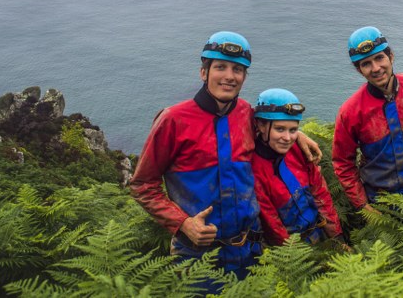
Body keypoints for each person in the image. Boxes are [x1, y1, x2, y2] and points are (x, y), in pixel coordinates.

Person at [130, 31, 322, 280]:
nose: (230, 76)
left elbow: (272, 128)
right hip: (197, 256)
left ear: (244, 77)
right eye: (221, 67)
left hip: (251, 248)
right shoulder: (173, 120)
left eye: (238, 69)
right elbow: (142, 184)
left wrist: (299, 134)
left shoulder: (245, 113)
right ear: (203, 72)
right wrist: (183, 223)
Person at [332, 26, 403, 212]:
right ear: (359, 70)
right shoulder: (350, 111)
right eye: (366, 63)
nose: (376, 68)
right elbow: (342, 163)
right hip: (382, 204)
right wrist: (362, 205)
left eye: (379, 58)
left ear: (391, 56)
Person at [252, 88, 345, 246]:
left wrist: (337, 237)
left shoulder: (298, 150)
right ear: (260, 125)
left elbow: (320, 193)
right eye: (280, 129)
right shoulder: (253, 170)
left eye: (293, 130)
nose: (287, 138)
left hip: (320, 233)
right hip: (292, 250)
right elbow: (272, 225)